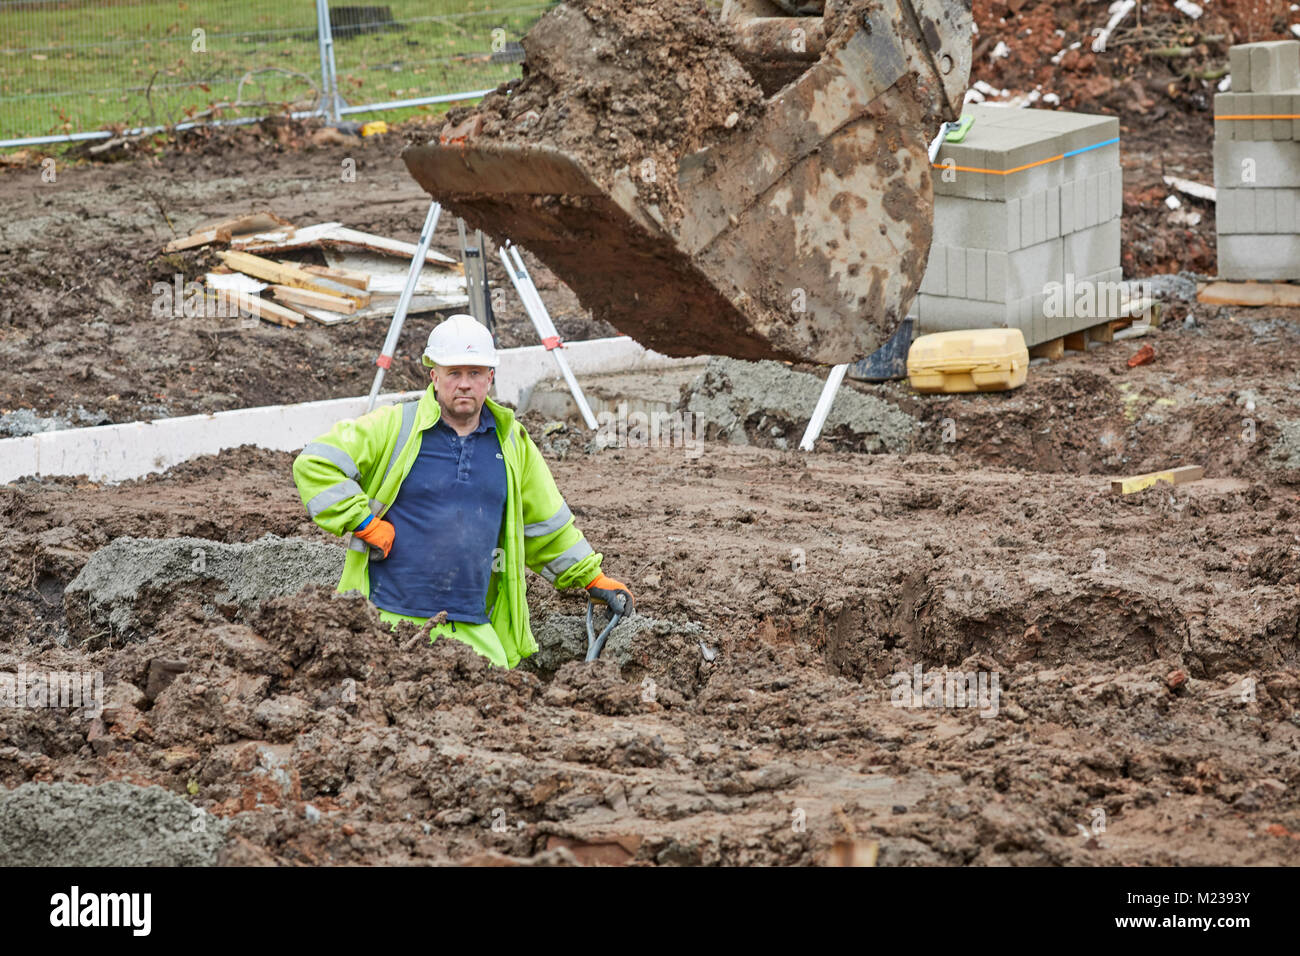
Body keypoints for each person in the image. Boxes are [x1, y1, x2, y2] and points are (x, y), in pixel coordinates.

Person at [292, 313, 633, 668]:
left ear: (490, 377)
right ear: (434, 376)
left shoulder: (512, 444)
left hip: (472, 627)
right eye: (454, 373)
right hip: (386, 624)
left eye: (474, 373)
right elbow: (316, 463)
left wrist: (591, 578)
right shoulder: (395, 427)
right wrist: (362, 521)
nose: (464, 384)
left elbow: (546, 525)